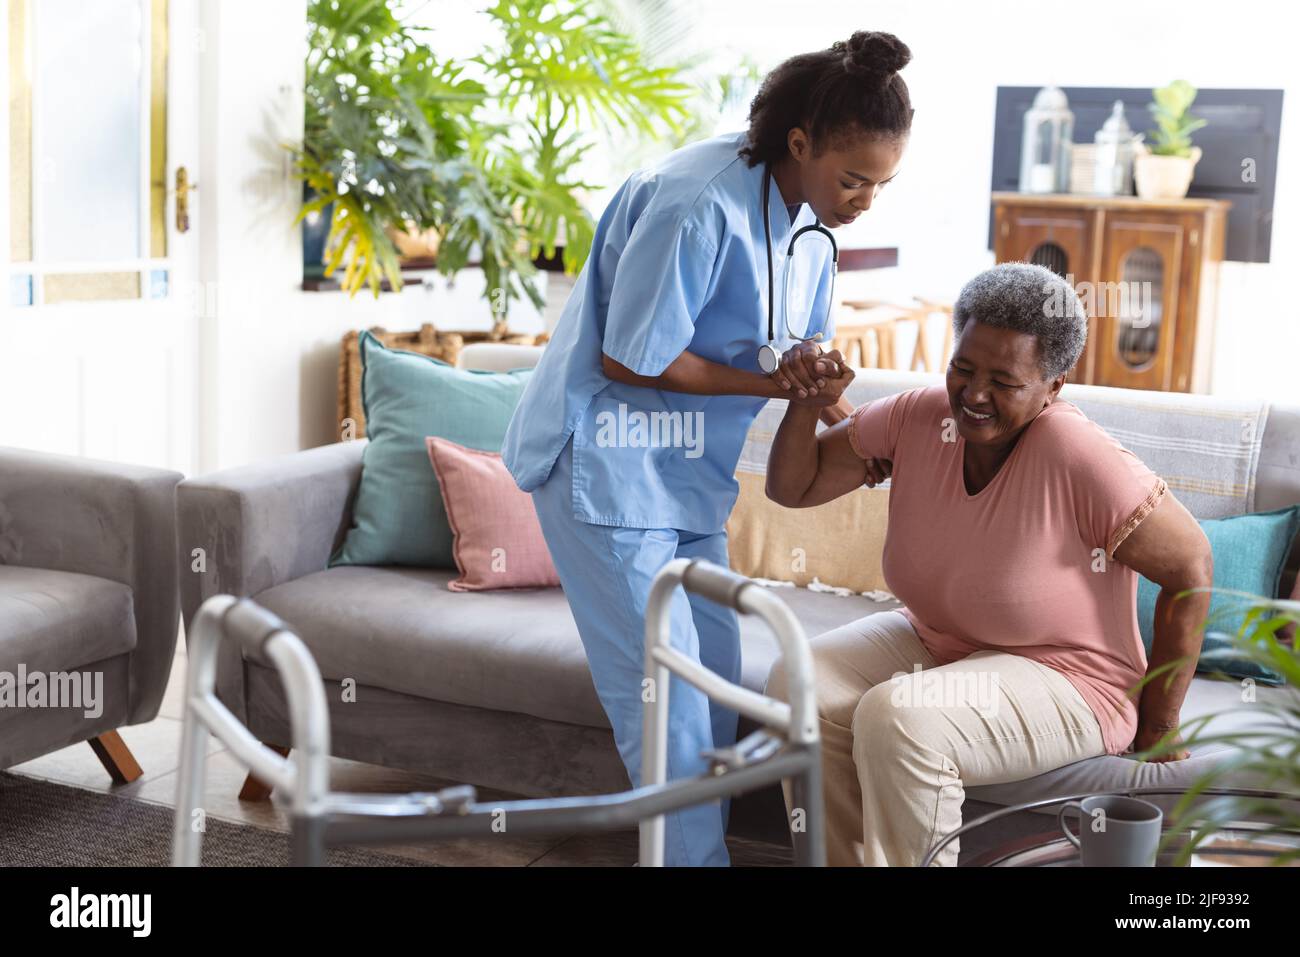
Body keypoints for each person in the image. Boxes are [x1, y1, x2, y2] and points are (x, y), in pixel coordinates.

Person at [501, 31, 912, 865]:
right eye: (854, 177)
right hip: (609, 470)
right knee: (669, 713)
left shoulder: (813, 236)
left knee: (719, 686)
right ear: (800, 143)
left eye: (882, 183)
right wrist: (776, 388)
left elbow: (800, 367)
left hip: (691, 480)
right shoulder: (698, 200)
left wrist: (849, 415)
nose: (866, 199)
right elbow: (631, 355)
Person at [763, 262, 1214, 866]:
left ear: (1053, 388)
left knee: (901, 716)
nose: (974, 395)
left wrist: (1159, 730)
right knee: (800, 678)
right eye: (964, 369)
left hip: (1072, 677)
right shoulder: (918, 418)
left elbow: (1190, 566)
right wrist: (806, 403)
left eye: (1004, 381)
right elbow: (795, 487)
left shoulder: (1075, 454)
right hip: (943, 641)